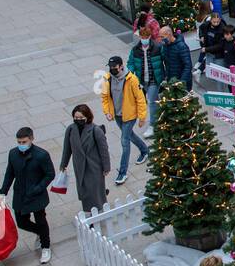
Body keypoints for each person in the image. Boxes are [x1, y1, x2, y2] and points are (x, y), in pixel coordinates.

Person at [0, 127, 55, 264]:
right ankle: (40, 233)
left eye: (24, 142)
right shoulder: (13, 154)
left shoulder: (41, 155)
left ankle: (46, 247)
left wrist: (39, 187)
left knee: (41, 220)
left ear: (31, 139)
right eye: (19, 142)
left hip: (36, 194)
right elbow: (9, 174)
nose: (21, 145)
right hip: (20, 194)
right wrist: (3, 192)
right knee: (21, 222)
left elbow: (50, 174)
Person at [101, 55, 149, 186]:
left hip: (130, 115)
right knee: (130, 136)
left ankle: (123, 172)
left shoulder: (132, 79)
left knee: (124, 141)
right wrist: (107, 112)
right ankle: (145, 151)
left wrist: (142, 117)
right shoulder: (107, 79)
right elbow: (105, 97)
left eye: (114, 67)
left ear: (121, 66)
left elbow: (140, 98)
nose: (112, 69)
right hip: (117, 115)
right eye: (110, 67)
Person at [59, 104, 110, 214]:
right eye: (76, 118)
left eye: (81, 118)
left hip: (93, 166)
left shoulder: (95, 130)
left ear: (87, 117)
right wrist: (64, 164)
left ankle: (97, 211)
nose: (78, 120)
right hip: (79, 166)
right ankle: (90, 211)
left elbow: (104, 150)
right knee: (85, 190)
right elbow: (67, 148)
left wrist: (106, 167)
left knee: (94, 190)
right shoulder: (71, 129)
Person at [128, 27, 165, 135]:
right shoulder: (135, 50)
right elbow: (131, 63)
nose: (144, 39)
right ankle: (160, 120)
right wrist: (130, 73)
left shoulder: (157, 47)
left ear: (150, 37)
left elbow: (165, 60)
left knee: (152, 101)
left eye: (146, 37)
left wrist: (165, 76)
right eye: (142, 37)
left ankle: (153, 126)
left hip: (154, 79)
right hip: (143, 80)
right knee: (155, 101)